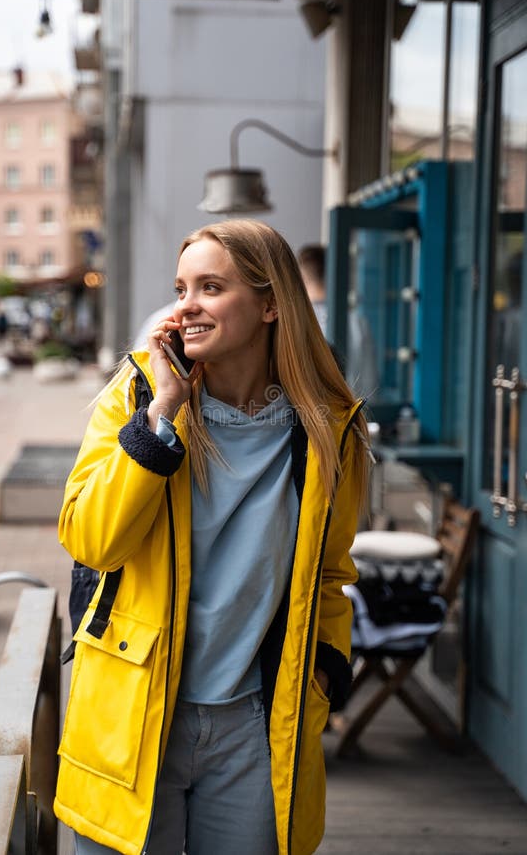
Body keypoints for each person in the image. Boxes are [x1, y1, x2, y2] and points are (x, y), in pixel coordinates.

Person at [55, 219, 370, 855]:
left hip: (255, 722)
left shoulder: (326, 432)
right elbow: (91, 540)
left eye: (211, 287)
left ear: (271, 304)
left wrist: (323, 678)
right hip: (136, 712)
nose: (186, 305)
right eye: (181, 288)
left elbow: (332, 572)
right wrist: (160, 419)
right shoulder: (139, 397)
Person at [297, 244, 378, 400]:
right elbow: (370, 385)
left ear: (300, 277)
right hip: (350, 418)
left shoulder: (295, 323)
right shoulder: (358, 323)